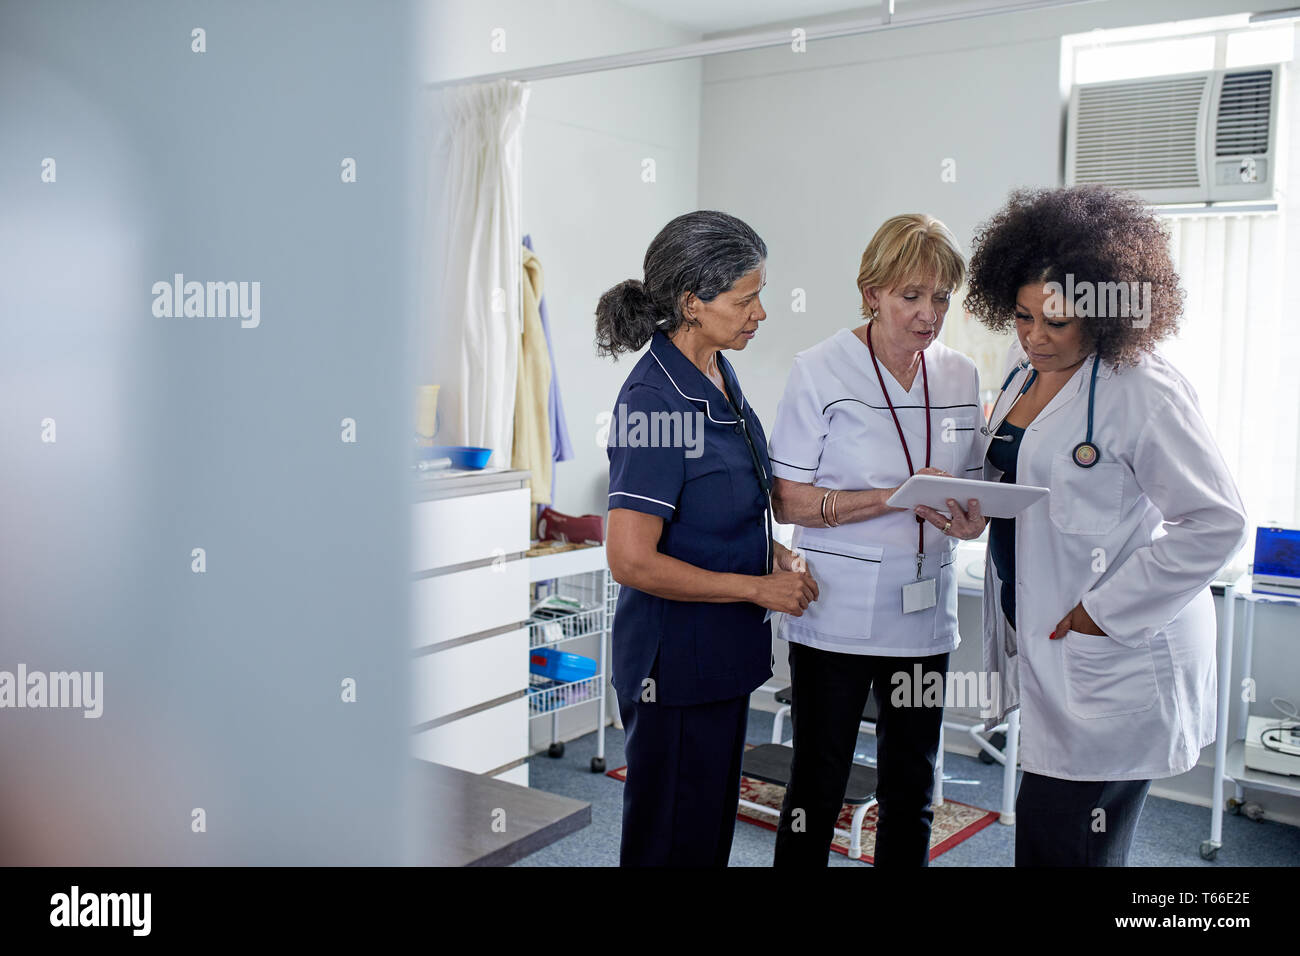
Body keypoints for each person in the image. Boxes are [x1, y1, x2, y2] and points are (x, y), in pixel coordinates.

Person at [964, 184, 1248, 866]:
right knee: (1055, 839)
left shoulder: (1142, 390)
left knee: (1066, 845)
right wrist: (968, 499)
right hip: (1050, 637)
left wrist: (1100, 611)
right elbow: (1025, 476)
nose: (1034, 337)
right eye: (1023, 316)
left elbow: (1216, 523)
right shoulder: (1022, 370)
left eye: (1055, 323)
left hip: (1111, 652)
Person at [598, 210, 819, 867]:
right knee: (669, 842)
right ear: (692, 302)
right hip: (674, 670)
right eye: (746, 299)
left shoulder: (717, 371)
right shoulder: (653, 403)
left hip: (720, 657)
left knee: (704, 837)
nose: (761, 313)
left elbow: (715, 499)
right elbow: (630, 560)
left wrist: (766, 550)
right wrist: (758, 585)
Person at [767, 213, 985, 867]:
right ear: (872, 293)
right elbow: (787, 498)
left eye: (942, 297)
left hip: (923, 614)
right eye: (910, 296)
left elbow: (969, 488)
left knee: (913, 781)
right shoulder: (820, 369)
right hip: (835, 611)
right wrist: (892, 497)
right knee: (819, 781)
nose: (928, 314)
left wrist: (972, 518)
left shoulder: (960, 376)